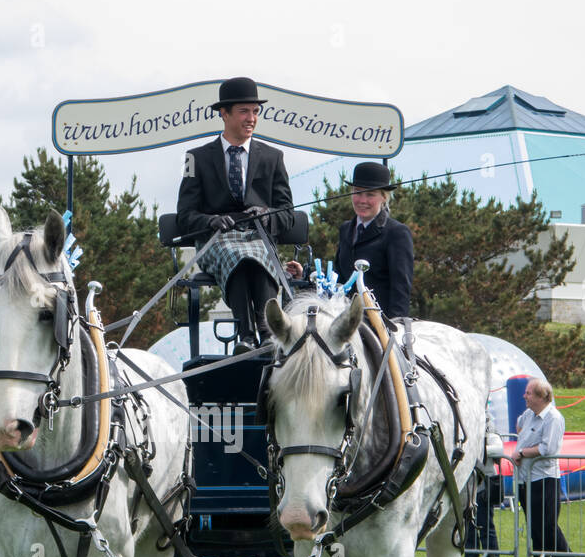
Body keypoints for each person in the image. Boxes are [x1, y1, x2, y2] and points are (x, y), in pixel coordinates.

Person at [176, 76, 294, 353]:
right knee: (239, 255)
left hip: (258, 239)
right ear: (224, 113)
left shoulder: (273, 157)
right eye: (244, 111)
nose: (251, 118)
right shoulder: (196, 158)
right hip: (217, 240)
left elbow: (287, 212)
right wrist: (210, 220)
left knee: (256, 254)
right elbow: (185, 215)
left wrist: (266, 215)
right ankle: (246, 332)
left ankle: (264, 333)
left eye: (255, 111)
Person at [286, 160, 414, 319]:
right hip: (344, 321)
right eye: (358, 192)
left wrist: (395, 328)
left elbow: (400, 288)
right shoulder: (346, 229)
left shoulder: (396, 232)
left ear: (383, 197)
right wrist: (304, 277)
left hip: (379, 325)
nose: (362, 200)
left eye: (370, 194)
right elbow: (338, 280)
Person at [512, 378, 579, 557]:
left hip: (545, 477)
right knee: (533, 522)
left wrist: (522, 452)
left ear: (542, 396)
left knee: (547, 522)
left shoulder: (553, 418)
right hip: (526, 477)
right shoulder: (529, 414)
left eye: (529, 393)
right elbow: (519, 426)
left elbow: (547, 448)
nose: (525, 396)